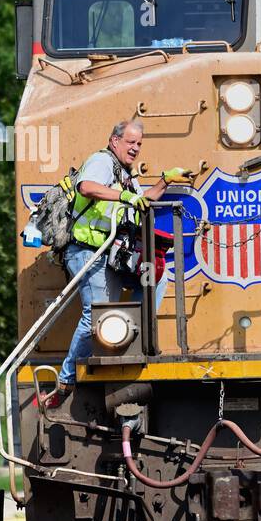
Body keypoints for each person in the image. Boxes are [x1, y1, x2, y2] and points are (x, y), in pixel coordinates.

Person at [42, 120, 190, 408]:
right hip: (86, 251)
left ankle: (126, 340)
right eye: (131, 142)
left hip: (112, 254)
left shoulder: (126, 174)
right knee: (94, 313)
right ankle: (66, 379)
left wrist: (165, 181)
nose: (135, 148)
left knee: (155, 278)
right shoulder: (102, 161)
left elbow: (141, 200)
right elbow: (86, 187)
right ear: (115, 141)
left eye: (139, 144)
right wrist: (124, 195)